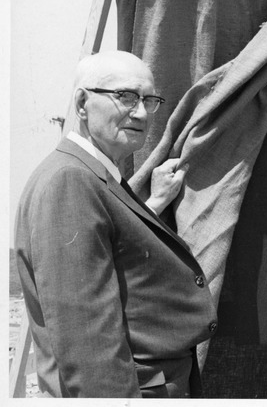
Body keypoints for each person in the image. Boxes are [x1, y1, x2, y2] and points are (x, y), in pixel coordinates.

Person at [15, 50, 218, 398]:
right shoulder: (70, 181)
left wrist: (153, 203)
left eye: (148, 100)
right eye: (125, 97)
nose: (140, 112)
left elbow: (117, 247)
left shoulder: (93, 174)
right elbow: (87, 338)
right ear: (82, 103)